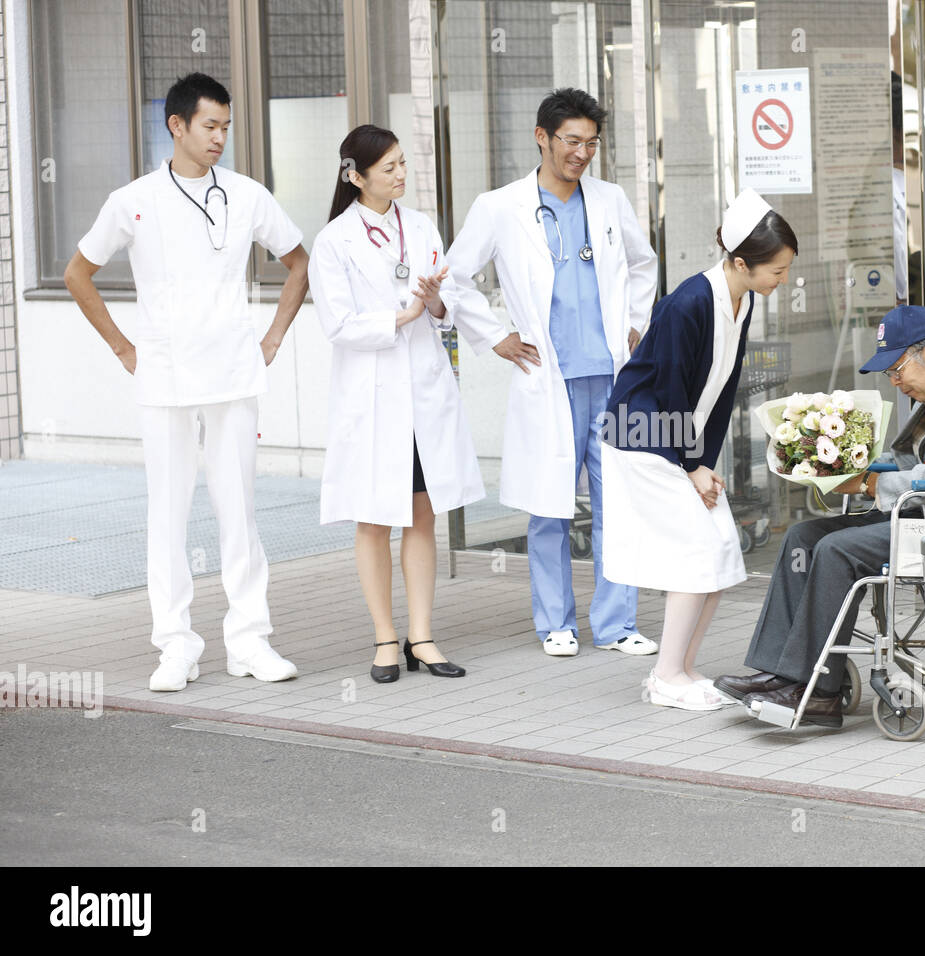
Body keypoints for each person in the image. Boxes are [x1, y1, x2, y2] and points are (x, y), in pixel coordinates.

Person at [64, 73, 308, 693]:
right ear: (177, 126)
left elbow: (300, 262)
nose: (221, 137)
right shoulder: (133, 200)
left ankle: (249, 641)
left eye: (226, 126)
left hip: (232, 375)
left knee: (240, 514)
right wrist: (124, 348)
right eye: (210, 126)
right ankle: (176, 646)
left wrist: (274, 335)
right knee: (166, 517)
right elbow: (77, 274)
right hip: (165, 378)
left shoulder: (248, 195)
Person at [713, 305, 925, 727]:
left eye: (898, 369)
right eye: (890, 374)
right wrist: (841, 466)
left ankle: (818, 693)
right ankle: (779, 670)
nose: (895, 381)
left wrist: (867, 485)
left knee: (835, 550)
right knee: (803, 537)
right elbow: (905, 456)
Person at [440, 88, 659, 658]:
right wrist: (496, 337)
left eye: (591, 143)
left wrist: (636, 323)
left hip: (610, 375)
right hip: (548, 376)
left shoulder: (608, 199)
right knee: (549, 506)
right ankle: (555, 621)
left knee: (619, 501)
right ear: (542, 137)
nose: (582, 153)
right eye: (571, 141)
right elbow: (454, 277)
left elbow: (642, 263)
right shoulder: (500, 206)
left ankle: (615, 623)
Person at [601, 190, 797, 711]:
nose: (782, 281)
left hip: (676, 442)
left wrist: (704, 462)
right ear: (740, 262)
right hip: (643, 437)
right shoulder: (688, 302)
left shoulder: (745, 298)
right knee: (695, 554)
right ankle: (666, 676)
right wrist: (691, 465)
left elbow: (723, 387)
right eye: (776, 271)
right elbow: (669, 389)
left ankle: (683, 670)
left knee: (717, 552)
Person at [308, 125, 484, 683]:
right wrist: (398, 318)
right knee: (373, 518)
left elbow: (448, 301)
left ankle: (423, 636)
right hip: (374, 395)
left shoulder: (422, 225)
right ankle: (386, 637)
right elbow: (336, 324)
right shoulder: (334, 241)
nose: (401, 175)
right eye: (388, 168)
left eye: (403, 164)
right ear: (356, 177)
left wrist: (433, 305)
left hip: (424, 390)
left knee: (422, 514)